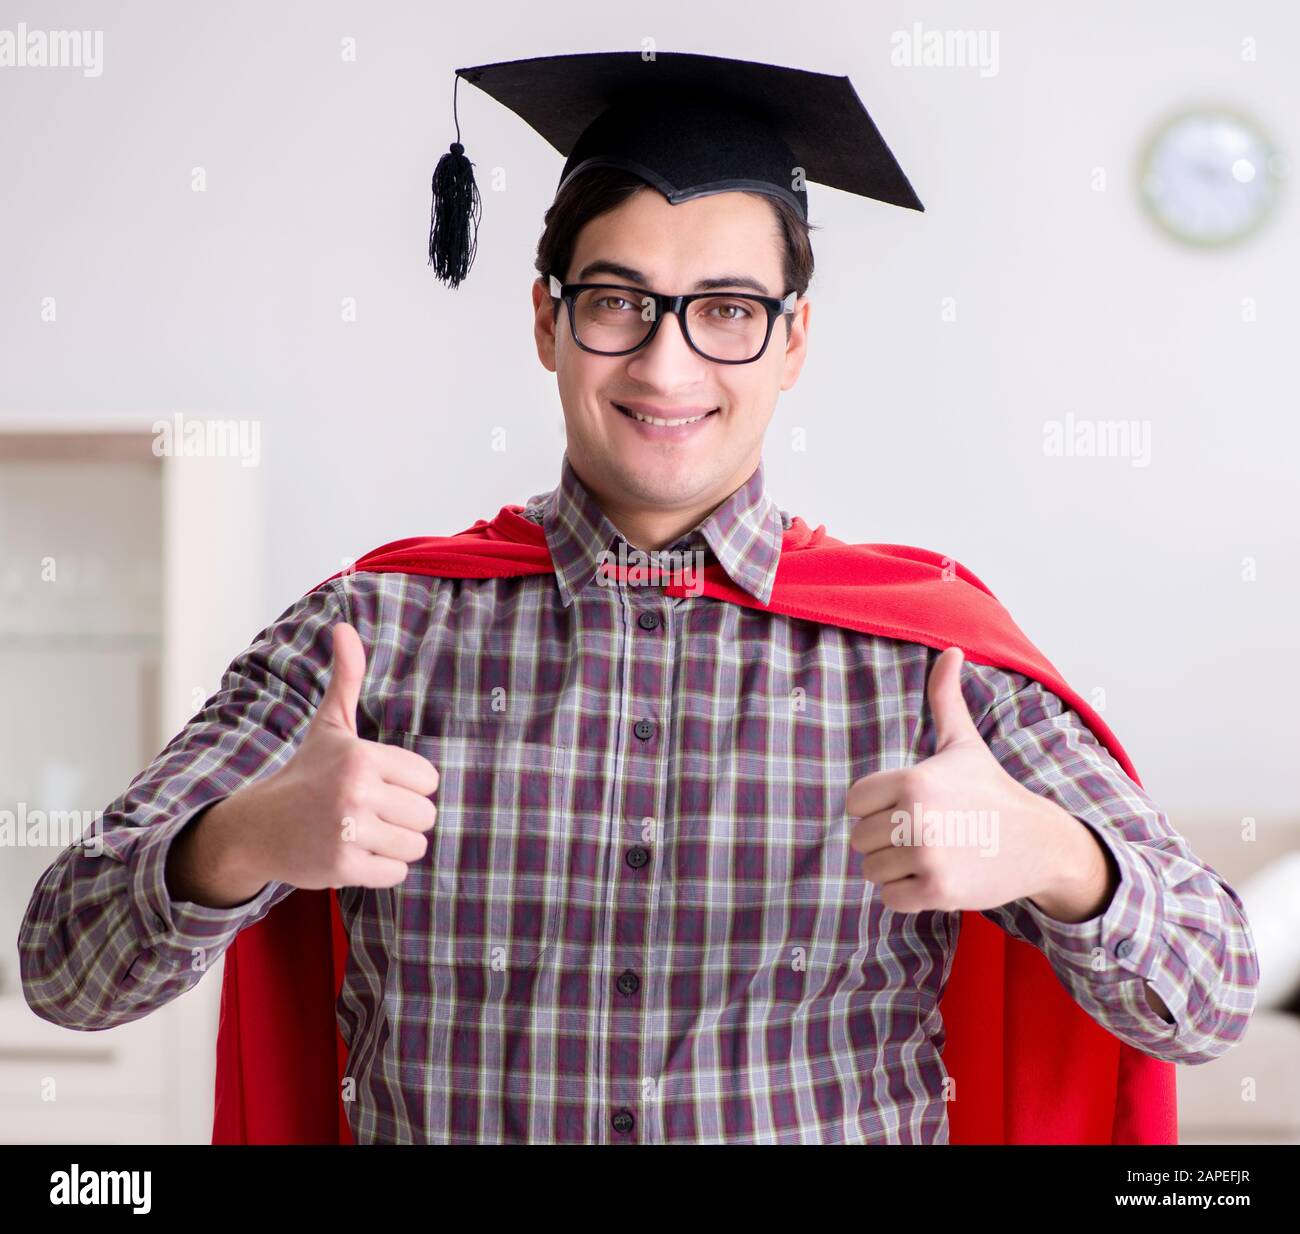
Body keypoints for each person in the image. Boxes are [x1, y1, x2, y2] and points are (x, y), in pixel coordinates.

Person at [19, 50, 1258, 1145]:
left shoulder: (930, 662)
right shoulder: (369, 630)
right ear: (548, 322)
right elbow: (65, 972)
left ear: (793, 340)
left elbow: (1209, 998)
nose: (666, 364)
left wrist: (1053, 856)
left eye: (725, 311)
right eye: (618, 303)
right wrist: (242, 840)